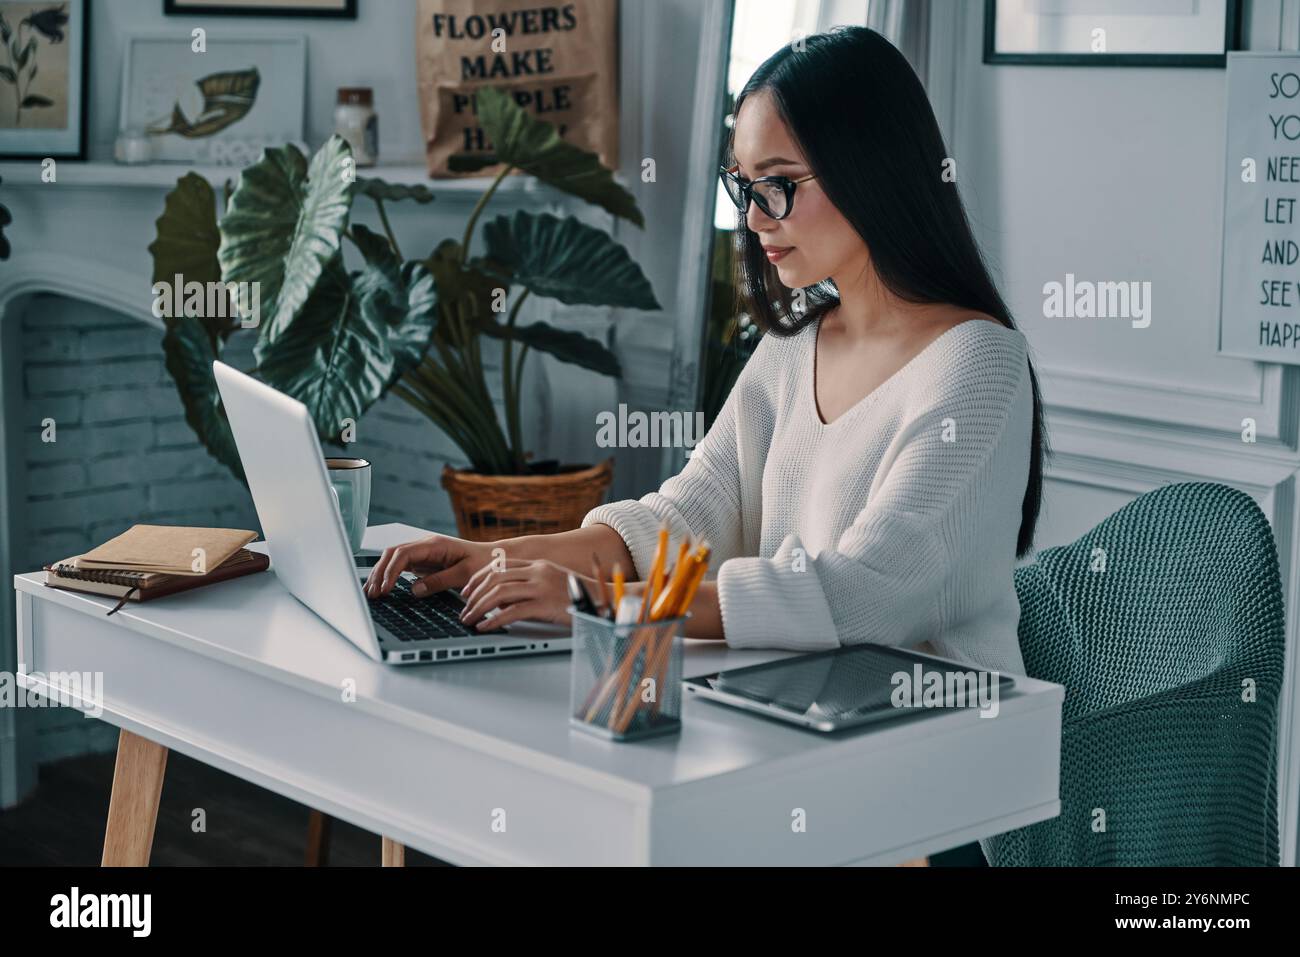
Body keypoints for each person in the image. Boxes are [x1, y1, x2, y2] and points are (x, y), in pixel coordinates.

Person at [365, 26, 1049, 675]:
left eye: (778, 184)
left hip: (935, 740)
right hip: (794, 701)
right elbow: (684, 521)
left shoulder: (977, 365)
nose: (753, 218)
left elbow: (864, 594)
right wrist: (491, 558)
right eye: (744, 187)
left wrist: (596, 604)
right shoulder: (795, 345)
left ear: (870, 170)